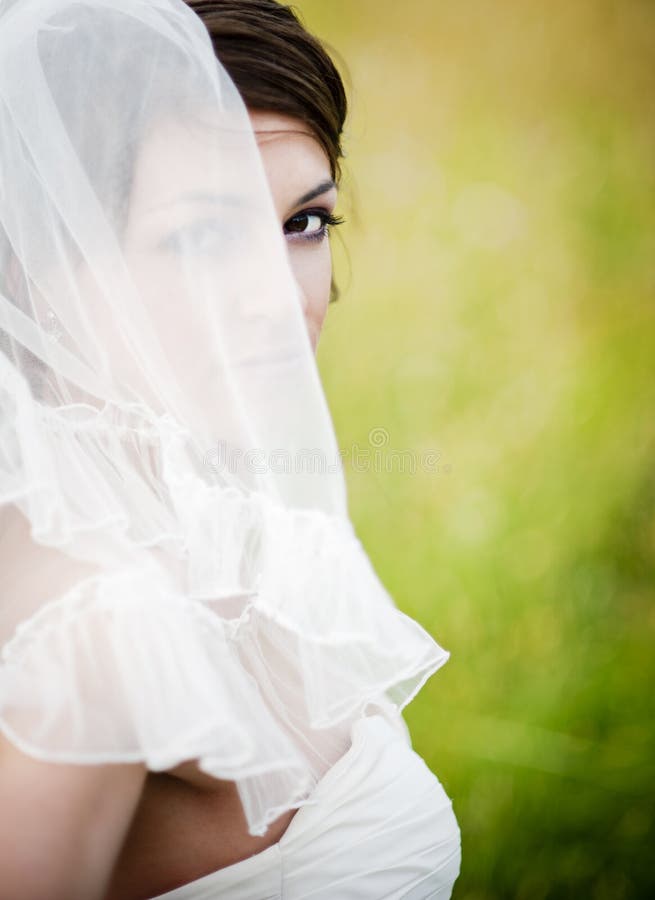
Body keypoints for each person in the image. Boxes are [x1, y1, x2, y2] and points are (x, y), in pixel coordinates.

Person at [0, 1, 461, 897]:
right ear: (41, 264)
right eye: (204, 237)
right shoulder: (94, 631)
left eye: (305, 223)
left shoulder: (204, 514)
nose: (278, 301)